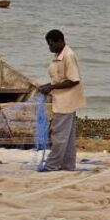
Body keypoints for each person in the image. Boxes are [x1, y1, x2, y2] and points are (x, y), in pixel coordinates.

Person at [37, 29, 85, 171]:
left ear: (60, 41)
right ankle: (68, 166)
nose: (50, 48)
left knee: (59, 136)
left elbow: (73, 80)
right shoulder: (59, 55)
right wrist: (48, 86)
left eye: (51, 44)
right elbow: (59, 79)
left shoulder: (68, 56)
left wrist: (51, 87)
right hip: (63, 100)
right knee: (68, 138)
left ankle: (51, 166)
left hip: (66, 102)